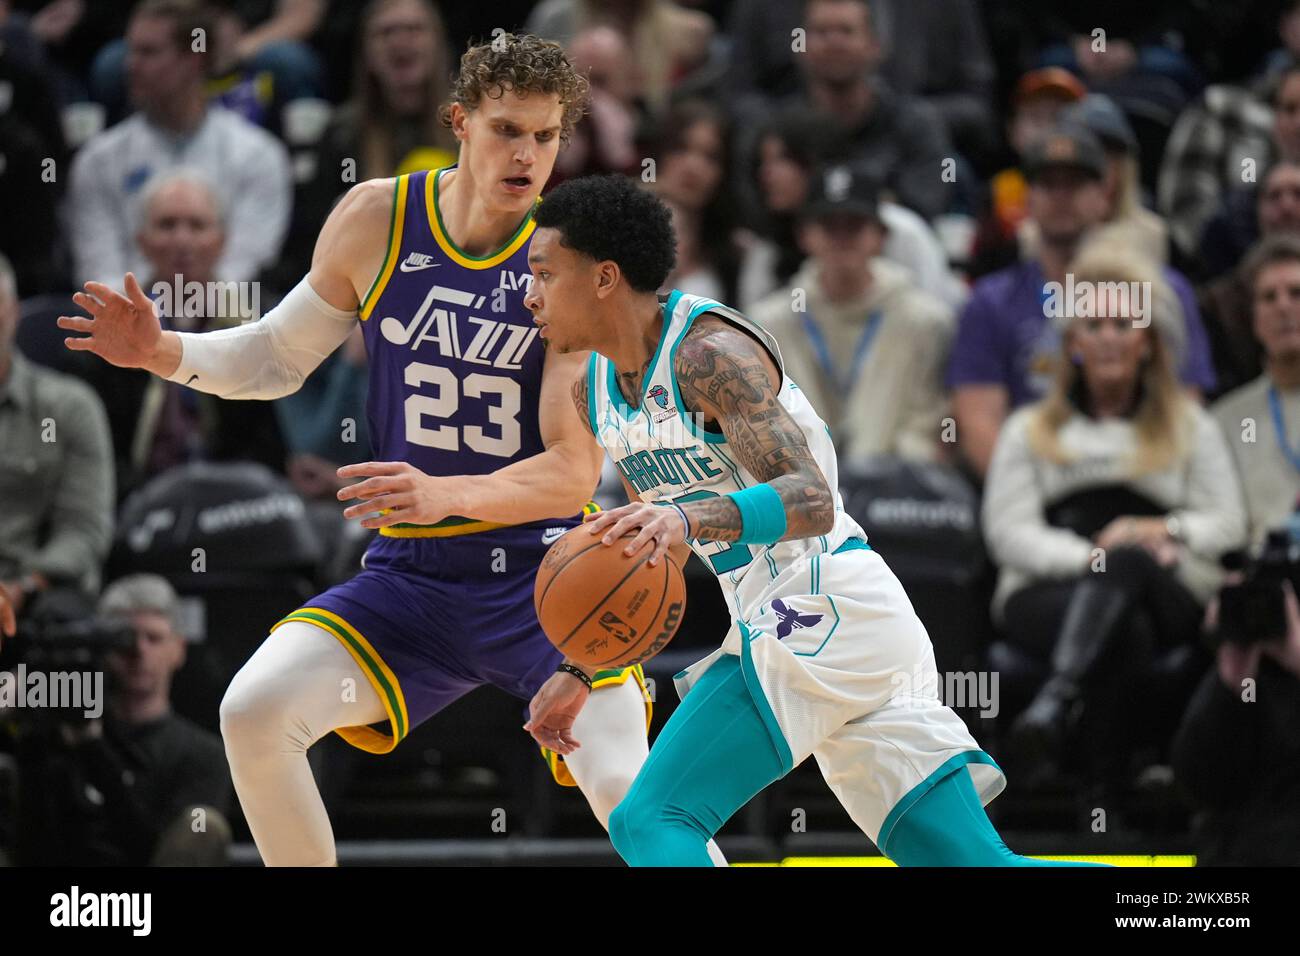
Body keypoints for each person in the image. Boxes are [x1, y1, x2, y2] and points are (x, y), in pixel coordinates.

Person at [59, 33, 723, 867]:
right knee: (254, 713)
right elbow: (275, 357)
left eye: (546, 136)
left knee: (633, 798)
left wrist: (447, 494)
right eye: (506, 130)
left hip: (550, 583)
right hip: (412, 579)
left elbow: (570, 473)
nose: (527, 155)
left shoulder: (567, 261)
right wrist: (167, 354)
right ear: (459, 121)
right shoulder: (378, 218)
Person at [521, 173, 1102, 867]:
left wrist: (684, 519)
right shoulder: (595, 392)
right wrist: (581, 669)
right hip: (830, 624)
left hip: (818, 599)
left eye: (544, 273)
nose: (530, 295)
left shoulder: (706, 355)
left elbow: (811, 497)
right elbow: (645, 553)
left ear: (605, 277)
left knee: (653, 818)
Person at [982, 246, 1246, 805]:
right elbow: (1007, 531)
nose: (1107, 337)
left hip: (1166, 589)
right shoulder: (1027, 429)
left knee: (1131, 570)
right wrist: (1092, 558)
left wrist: (1164, 531)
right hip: (1050, 591)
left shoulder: (1192, 426)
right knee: (1125, 628)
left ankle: (1057, 706)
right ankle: (1110, 796)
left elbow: (1228, 523)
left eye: (1123, 324)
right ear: (1072, 344)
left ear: (1147, 342)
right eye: (1092, 325)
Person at [948, 126, 1217, 481]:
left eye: (1076, 184)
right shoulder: (991, 301)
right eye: (1048, 184)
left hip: (1146, 479)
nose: (1062, 196)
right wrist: (1027, 498)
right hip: (1030, 483)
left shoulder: (1161, 292)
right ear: (1028, 199)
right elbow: (979, 423)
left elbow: (1182, 409)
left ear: (1105, 196)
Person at [8, 574, 233, 865]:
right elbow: (30, 849)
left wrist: (92, 749)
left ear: (179, 649)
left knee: (203, 827)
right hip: (67, 905)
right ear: (100, 648)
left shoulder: (204, 756)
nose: (138, 652)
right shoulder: (57, 736)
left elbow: (162, 853)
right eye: (123, 639)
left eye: (153, 638)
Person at [67, 0, 291, 286]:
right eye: (131, 50)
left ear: (194, 59)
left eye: (148, 52)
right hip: (131, 318)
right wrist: (152, 318)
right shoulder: (97, 160)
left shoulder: (259, 156)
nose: (130, 64)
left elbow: (244, 268)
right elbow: (99, 273)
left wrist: (190, 323)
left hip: (225, 323)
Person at [748, 165, 954, 463]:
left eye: (854, 225)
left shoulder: (926, 322)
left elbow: (925, 425)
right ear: (804, 236)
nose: (841, 237)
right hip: (797, 488)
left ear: (880, 236)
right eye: (829, 225)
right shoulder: (767, 324)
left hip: (895, 493)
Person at [0, 252, 114, 624]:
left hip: (32, 591)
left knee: (63, 614)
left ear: (14, 312)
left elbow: (84, 530)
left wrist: (23, 587)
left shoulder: (69, 407)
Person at [1212, 234, 1300, 546]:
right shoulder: (1224, 420)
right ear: (1255, 320)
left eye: (1296, 293)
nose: (1284, 307)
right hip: (1262, 580)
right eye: (1269, 298)